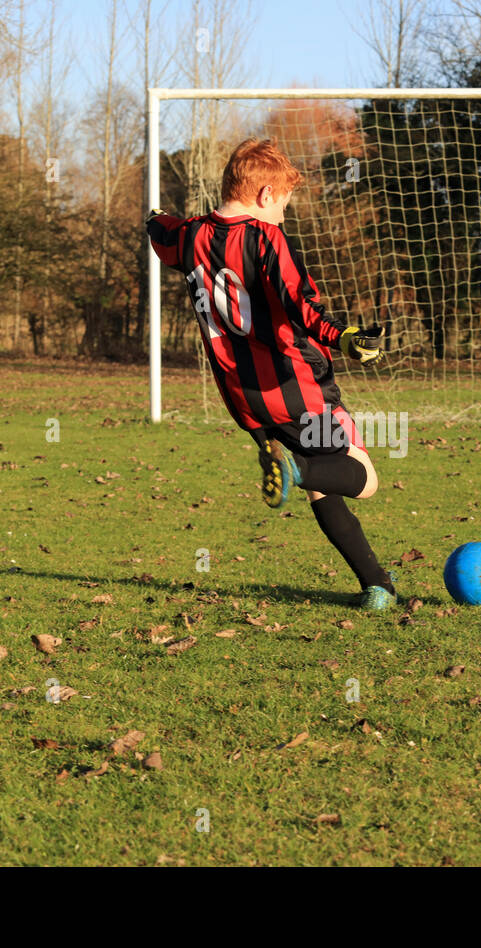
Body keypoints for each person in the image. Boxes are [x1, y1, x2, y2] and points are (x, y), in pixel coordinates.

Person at [146, 138, 397, 609]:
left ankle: (377, 585)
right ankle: (295, 469)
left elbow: (162, 233)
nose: (284, 213)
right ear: (264, 195)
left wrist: (155, 219)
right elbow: (301, 304)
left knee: (322, 484)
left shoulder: (189, 237)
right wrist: (343, 337)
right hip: (293, 386)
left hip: (244, 401)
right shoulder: (265, 238)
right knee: (363, 476)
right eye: (283, 201)